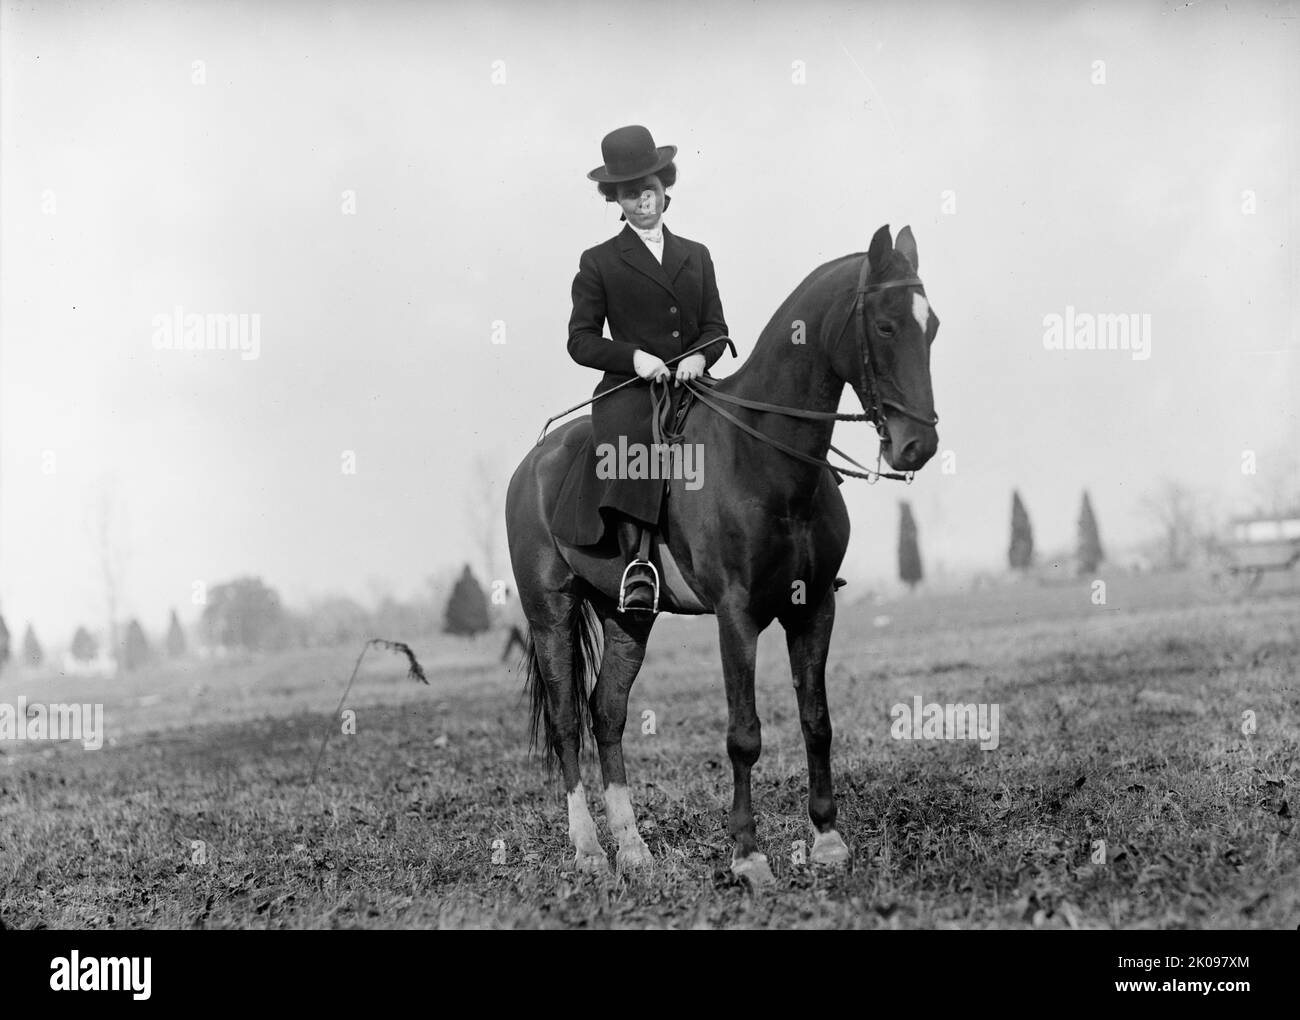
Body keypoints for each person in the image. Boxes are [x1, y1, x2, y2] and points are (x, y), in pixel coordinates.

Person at [567, 124, 730, 611]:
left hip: (693, 381)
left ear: (665, 187)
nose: (642, 202)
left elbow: (716, 327)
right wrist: (635, 358)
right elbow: (580, 340)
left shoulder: (696, 255)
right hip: (632, 389)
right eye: (630, 195)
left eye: (649, 191)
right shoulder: (599, 262)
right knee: (636, 443)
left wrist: (701, 355)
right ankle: (638, 564)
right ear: (615, 199)